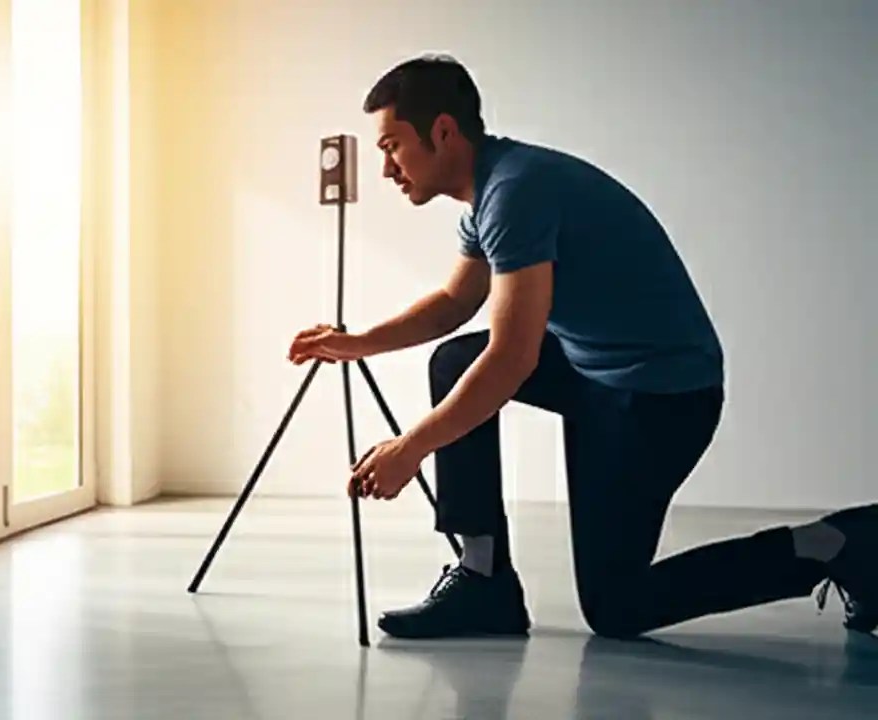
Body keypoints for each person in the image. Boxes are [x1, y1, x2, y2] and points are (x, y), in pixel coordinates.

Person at [286, 54, 875, 640]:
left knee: (618, 607)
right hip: (596, 373)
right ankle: (483, 579)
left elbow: (513, 358)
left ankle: (837, 543)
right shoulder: (490, 191)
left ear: (442, 131)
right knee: (455, 357)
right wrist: (356, 343)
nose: (387, 169)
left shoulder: (517, 192)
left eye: (391, 145)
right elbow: (455, 302)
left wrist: (410, 448)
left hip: (661, 401)